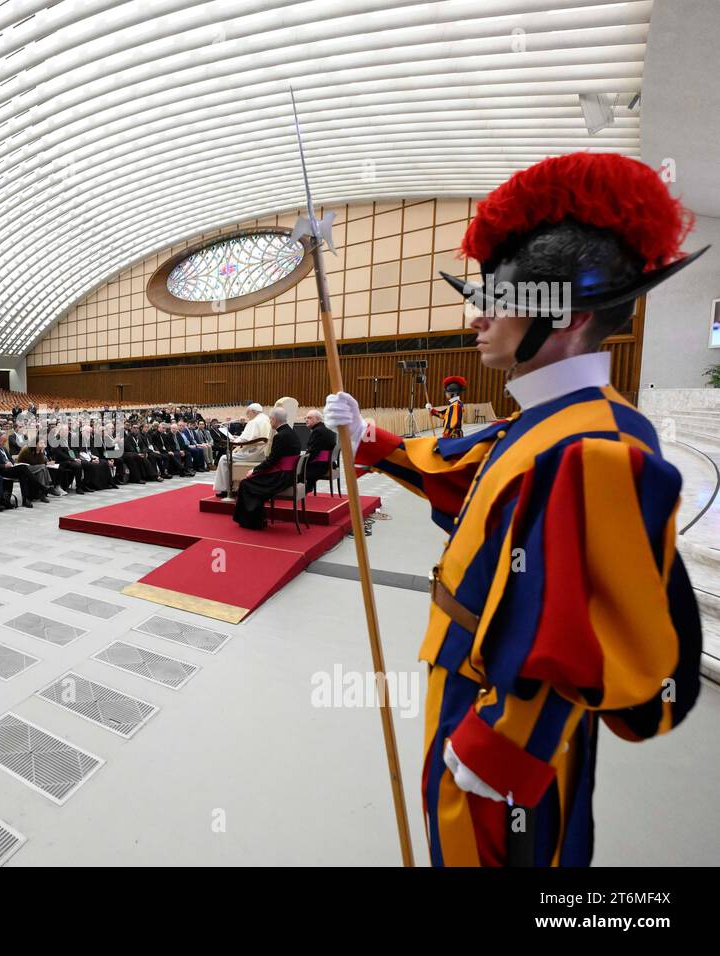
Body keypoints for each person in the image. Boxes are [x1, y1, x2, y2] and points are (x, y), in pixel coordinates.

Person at [323, 152, 705, 867]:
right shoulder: (549, 422)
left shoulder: (596, 446)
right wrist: (366, 438)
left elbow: (578, 635)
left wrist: (500, 752)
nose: (475, 315)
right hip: (468, 691)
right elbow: (469, 480)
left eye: (499, 299)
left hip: (501, 732)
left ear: (569, 315)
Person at [232, 408, 301, 529]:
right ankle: (255, 519)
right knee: (251, 483)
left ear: (274, 419)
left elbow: (271, 461)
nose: (269, 422)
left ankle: (252, 522)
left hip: (281, 478)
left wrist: (254, 470)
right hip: (288, 475)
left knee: (246, 484)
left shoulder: (280, 436)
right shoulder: (291, 432)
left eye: (270, 419)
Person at [213, 403, 272, 496]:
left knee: (224, 458)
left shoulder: (254, 422)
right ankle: (235, 486)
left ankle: (226, 489)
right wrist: (239, 438)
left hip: (252, 454)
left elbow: (245, 440)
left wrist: (234, 440)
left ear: (253, 411)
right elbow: (252, 437)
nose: (247, 415)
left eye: (247, 413)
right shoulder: (266, 419)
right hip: (263, 453)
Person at [302, 409, 337, 494]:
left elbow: (313, 452)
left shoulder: (318, 431)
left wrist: (302, 462)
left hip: (320, 465)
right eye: (305, 418)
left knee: (296, 469)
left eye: (309, 418)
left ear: (318, 419)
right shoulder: (325, 428)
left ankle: (301, 490)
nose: (306, 420)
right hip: (328, 463)